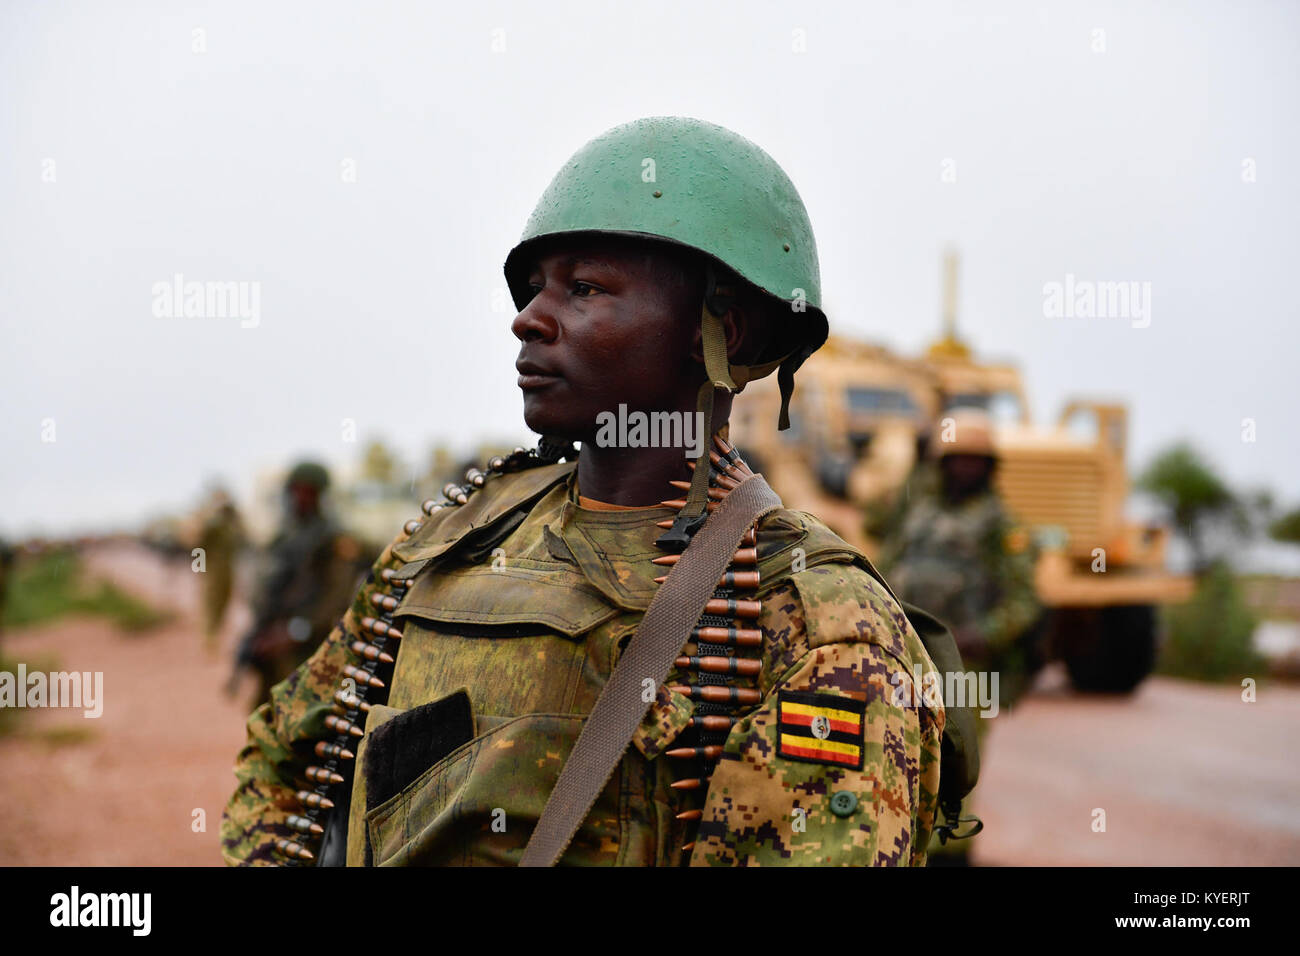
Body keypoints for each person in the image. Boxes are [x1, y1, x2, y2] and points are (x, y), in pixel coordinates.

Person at [221, 116, 957, 867]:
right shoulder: (451, 540)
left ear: (724, 333)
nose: (528, 320)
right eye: (536, 288)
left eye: (583, 288)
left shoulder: (813, 617)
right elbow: (287, 764)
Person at [880, 406, 1042, 863]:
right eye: (955, 458)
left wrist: (982, 634)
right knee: (896, 758)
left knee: (955, 772)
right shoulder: (916, 512)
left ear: (989, 467)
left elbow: (1025, 600)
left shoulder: (1002, 527)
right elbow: (885, 563)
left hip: (964, 669)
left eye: (974, 459)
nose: (963, 467)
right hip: (906, 658)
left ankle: (952, 855)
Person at [227, 461, 350, 709]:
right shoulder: (283, 536)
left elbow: (337, 595)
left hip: (311, 646)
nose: (301, 498)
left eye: (309, 492)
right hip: (275, 640)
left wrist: (297, 630)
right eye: (296, 490)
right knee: (265, 713)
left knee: (303, 716)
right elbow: (267, 587)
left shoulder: (333, 539)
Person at [197, 490, 244, 654]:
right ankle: (209, 639)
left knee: (225, 603)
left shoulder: (230, 525)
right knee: (212, 605)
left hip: (227, 570)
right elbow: (199, 548)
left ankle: (214, 637)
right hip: (213, 570)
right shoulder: (212, 524)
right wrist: (199, 569)